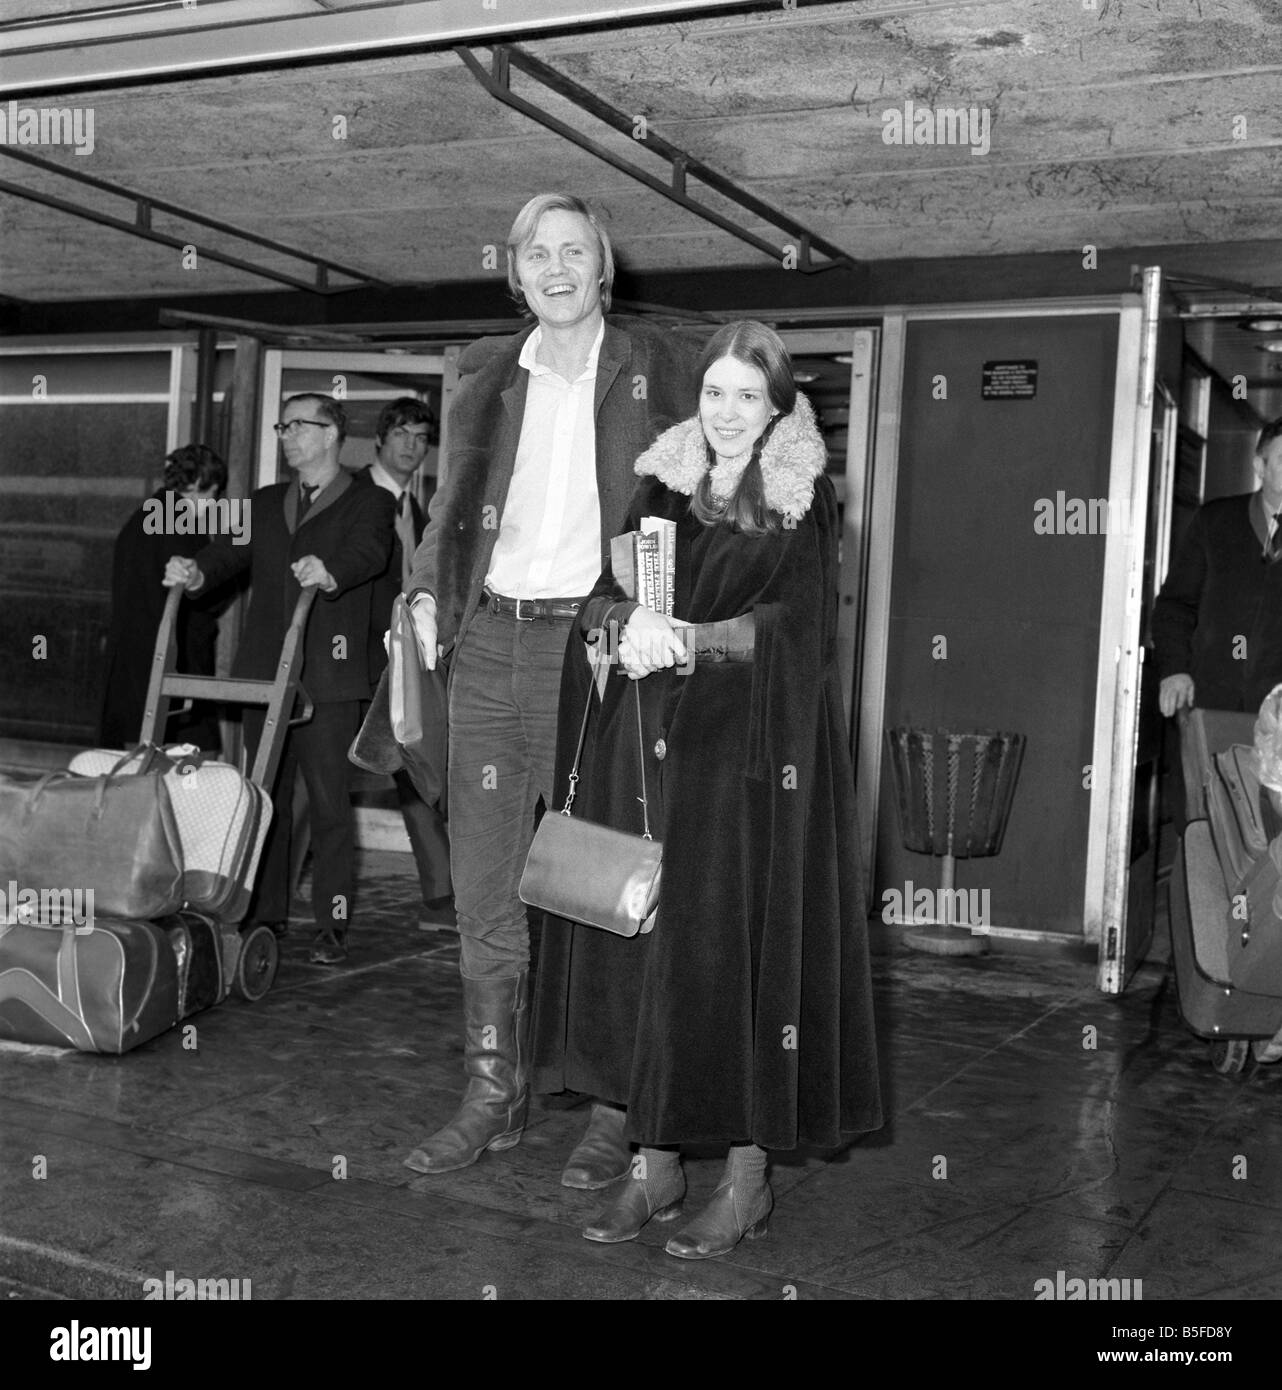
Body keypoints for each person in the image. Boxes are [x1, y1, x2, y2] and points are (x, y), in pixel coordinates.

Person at [530, 321, 883, 1259]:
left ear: (776, 407)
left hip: (748, 769)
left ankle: (745, 1180)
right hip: (643, 757)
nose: (728, 414)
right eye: (715, 393)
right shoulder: (661, 484)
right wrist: (621, 620)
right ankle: (653, 1167)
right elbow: (599, 593)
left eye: (748, 397)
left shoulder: (801, 500)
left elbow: (795, 635)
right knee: (645, 957)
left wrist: (687, 638)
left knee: (733, 962)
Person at [401, 192, 696, 1181]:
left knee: (600, 880)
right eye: (538, 252)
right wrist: (425, 594)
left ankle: (617, 1104)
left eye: (575, 250)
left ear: (602, 266)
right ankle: (498, 1092)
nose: (557, 265)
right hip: (488, 642)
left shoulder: (663, 365)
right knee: (486, 886)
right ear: (516, 271)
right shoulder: (482, 369)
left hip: (595, 648)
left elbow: (699, 504)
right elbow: (451, 507)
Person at [164, 393, 394, 965]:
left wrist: (332, 570)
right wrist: (195, 573)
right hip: (263, 675)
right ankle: (265, 914)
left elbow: (369, 553)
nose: (287, 435)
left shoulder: (371, 501)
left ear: (332, 434)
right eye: (282, 425)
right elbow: (224, 555)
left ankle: (333, 922)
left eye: (299, 425)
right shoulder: (265, 502)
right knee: (261, 798)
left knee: (328, 804)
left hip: (329, 678)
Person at [360, 397, 452, 926]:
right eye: (402, 435)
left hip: (405, 662)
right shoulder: (357, 497)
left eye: (420, 438)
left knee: (419, 769)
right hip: (357, 660)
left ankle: (440, 892)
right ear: (380, 438)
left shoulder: (419, 508)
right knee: (316, 785)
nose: (411, 447)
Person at [100, 443, 229, 752]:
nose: (213, 505)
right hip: (174, 663)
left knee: (140, 766)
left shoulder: (143, 518)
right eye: (212, 496)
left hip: (133, 662)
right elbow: (203, 596)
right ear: (198, 484)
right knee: (193, 765)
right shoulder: (182, 523)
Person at [1154, 415, 1282, 718]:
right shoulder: (1216, 521)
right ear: (1259, 467)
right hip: (1209, 704)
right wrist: (1175, 670)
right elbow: (1175, 606)